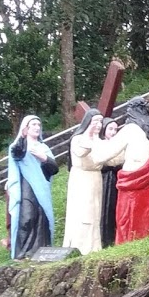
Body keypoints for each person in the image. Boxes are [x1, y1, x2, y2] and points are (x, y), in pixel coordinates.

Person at [90, 97, 149, 244]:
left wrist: (95, 139)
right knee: (147, 213)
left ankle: (129, 241)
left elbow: (104, 155)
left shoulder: (130, 129)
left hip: (131, 177)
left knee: (127, 216)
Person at [7, 115, 58, 260]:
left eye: (38, 124)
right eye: (33, 124)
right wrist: (22, 139)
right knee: (26, 217)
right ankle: (23, 251)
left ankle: (41, 249)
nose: (36, 127)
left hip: (41, 187)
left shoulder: (43, 147)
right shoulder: (19, 145)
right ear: (26, 128)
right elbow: (16, 154)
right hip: (26, 186)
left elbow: (54, 168)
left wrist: (43, 158)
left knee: (42, 217)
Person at [62, 108, 104, 255]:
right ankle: (80, 246)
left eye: (100, 121)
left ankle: (94, 245)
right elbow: (80, 152)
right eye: (95, 121)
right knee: (83, 213)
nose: (98, 125)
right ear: (87, 122)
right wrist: (92, 142)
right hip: (82, 178)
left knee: (95, 212)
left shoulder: (99, 140)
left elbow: (110, 157)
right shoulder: (78, 139)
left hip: (96, 178)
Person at [99, 119, 120, 248]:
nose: (113, 132)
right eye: (110, 129)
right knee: (103, 208)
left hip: (115, 179)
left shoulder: (119, 144)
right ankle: (103, 238)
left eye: (115, 130)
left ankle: (113, 237)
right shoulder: (100, 144)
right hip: (104, 178)